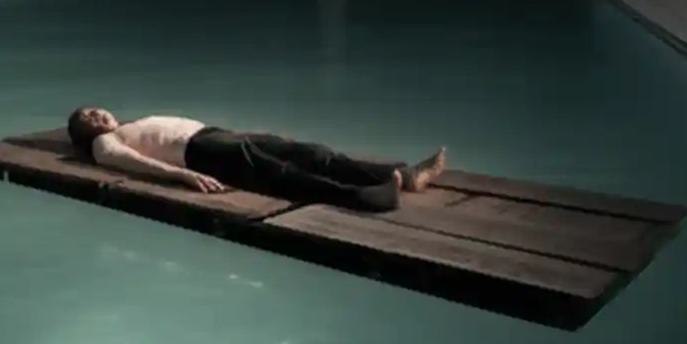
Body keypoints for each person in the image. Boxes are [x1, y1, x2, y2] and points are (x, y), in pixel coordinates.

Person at [65, 107, 447, 212]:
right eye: (88, 120)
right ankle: (365, 196)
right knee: (282, 173)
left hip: (214, 136)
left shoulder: (129, 123)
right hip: (199, 153)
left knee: (310, 153)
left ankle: (403, 174)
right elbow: (133, 164)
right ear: (85, 135)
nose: (97, 117)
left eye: (96, 111)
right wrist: (180, 176)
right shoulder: (105, 144)